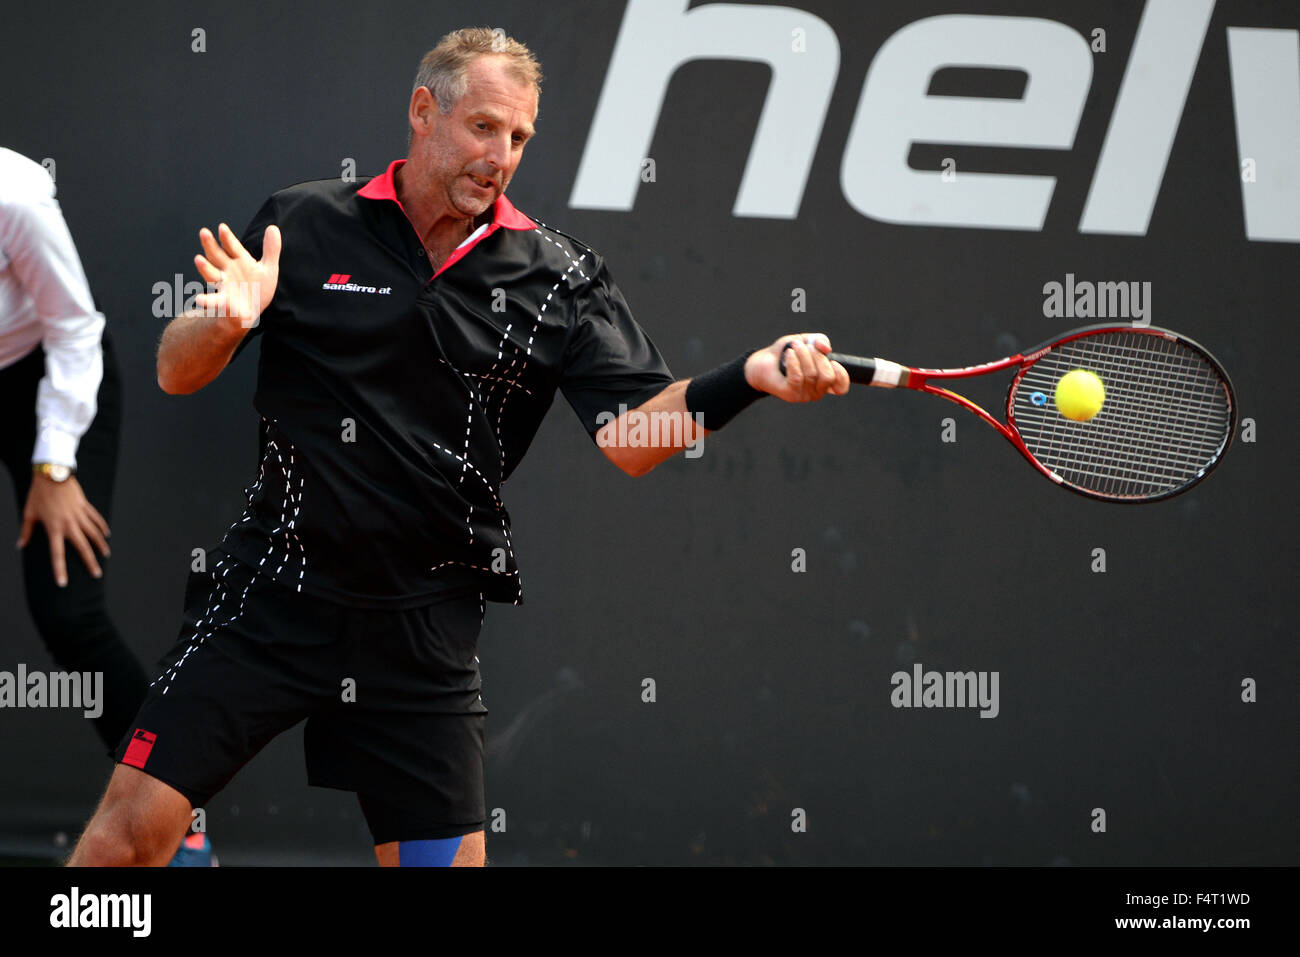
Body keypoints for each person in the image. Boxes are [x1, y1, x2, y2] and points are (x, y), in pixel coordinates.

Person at [68, 27, 849, 868]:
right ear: (422, 112)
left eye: (518, 138)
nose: (500, 154)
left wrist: (750, 380)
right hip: (273, 594)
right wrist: (223, 320)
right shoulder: (304, 222)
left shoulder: (560, 278)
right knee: (125, 842)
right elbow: (176, 373)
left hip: (424, 628)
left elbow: (632, 438)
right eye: (484, 127)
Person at [0, 147, 212, 865]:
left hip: (48, 378)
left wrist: (53, 464)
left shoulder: (16, 193)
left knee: (67, 612)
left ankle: (179, 828)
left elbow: (74, 331)